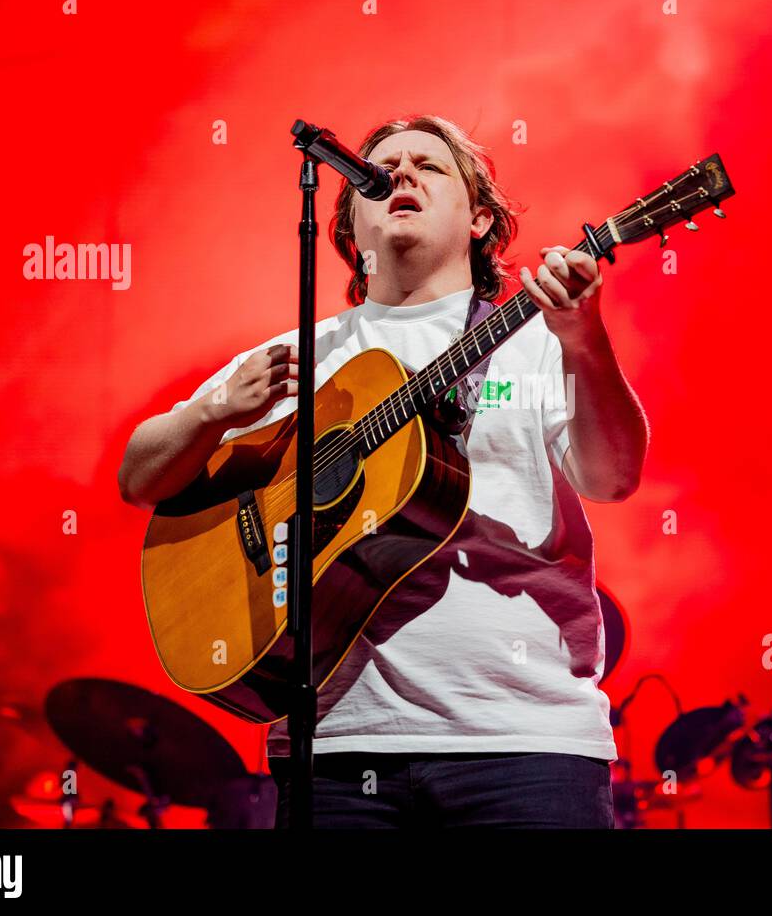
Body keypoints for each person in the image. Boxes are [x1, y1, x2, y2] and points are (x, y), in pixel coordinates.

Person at [117, 114, 649, 827]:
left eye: (429, 167)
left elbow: (612, 478)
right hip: (335, 749)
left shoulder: (535, 340)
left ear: (481, 221)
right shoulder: (299, 354)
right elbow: (140, 478)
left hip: (525, 744)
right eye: (381, 169)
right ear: (350, 226)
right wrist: (215, 408)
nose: (400, 174)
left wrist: (584, 340)